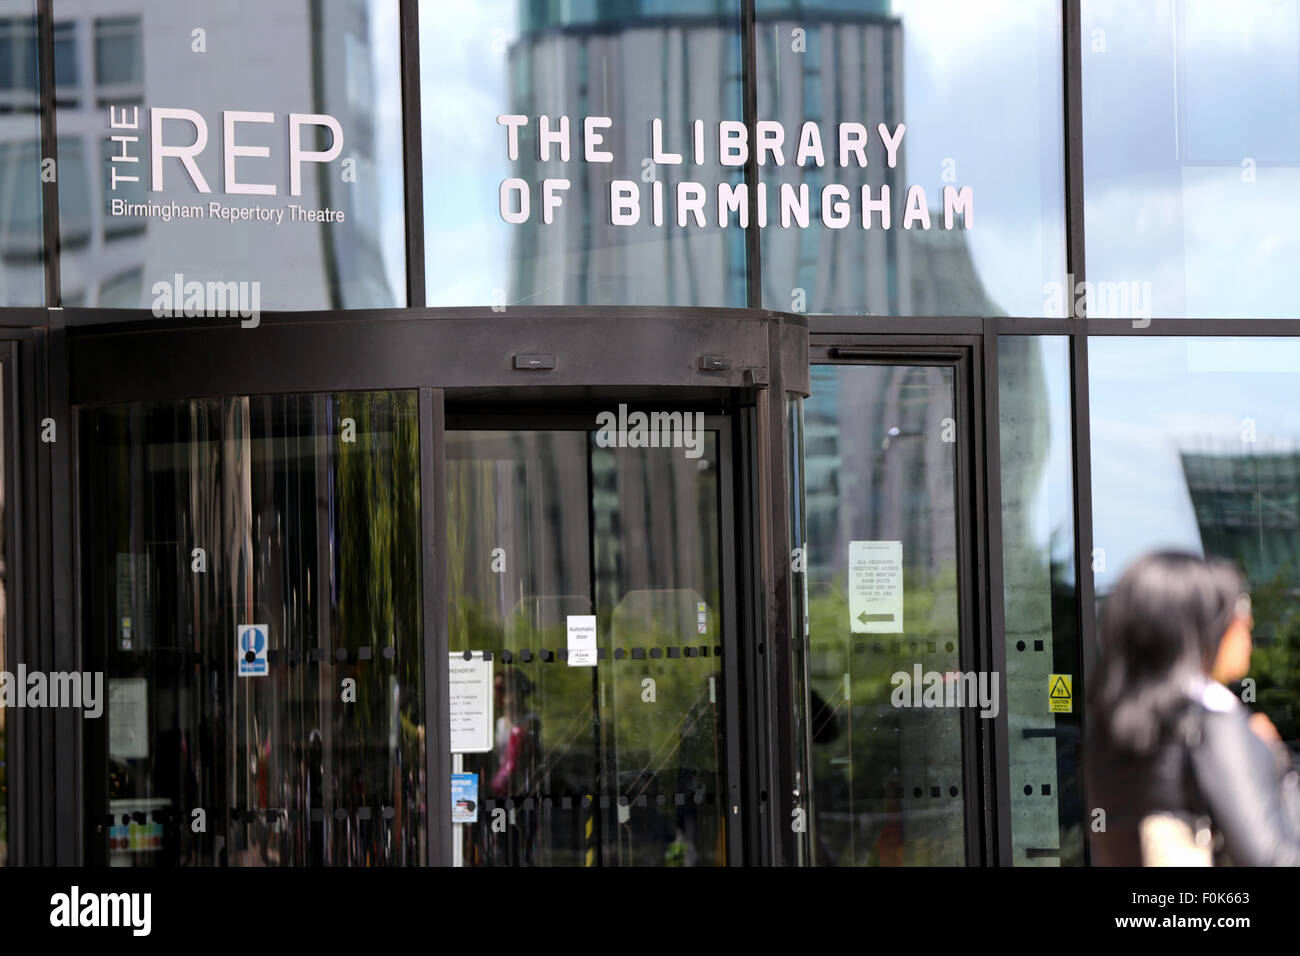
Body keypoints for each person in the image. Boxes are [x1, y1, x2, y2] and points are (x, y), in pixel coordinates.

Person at [1086, 550, 1300, 865]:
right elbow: (1273, 858)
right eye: (1238, 607)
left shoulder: (1108, 731)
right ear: (1195, 627)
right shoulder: (1212, 725)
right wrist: (1274, 761)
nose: (1248, 622)